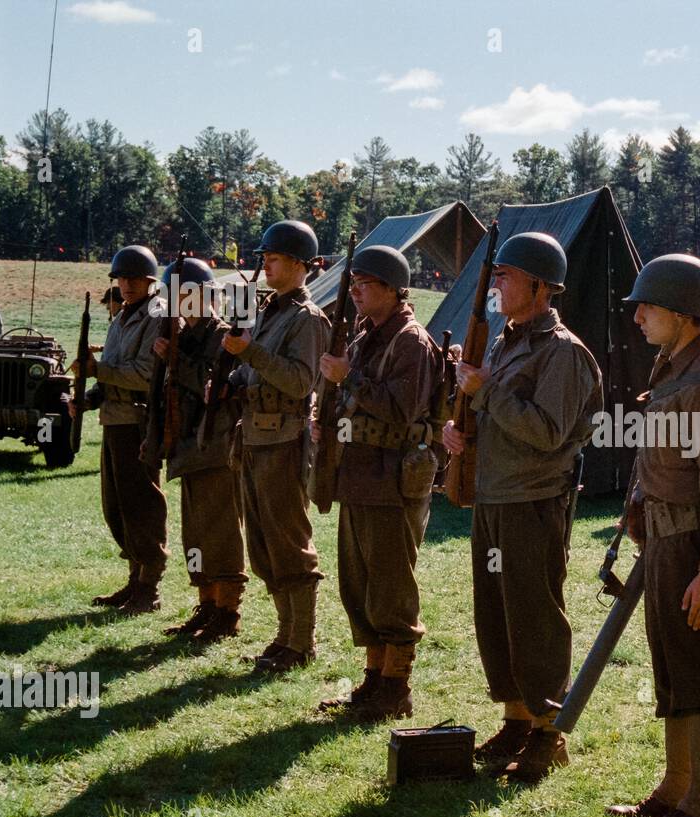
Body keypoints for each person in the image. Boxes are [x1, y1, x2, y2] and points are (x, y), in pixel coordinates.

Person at [441, 232, 603, 783]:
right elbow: (496, 417)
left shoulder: (564, 353)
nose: (495, 285)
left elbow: (549, 432)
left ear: (538, 286)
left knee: (534, 614)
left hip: (534, 500)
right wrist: (459, 433)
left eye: (505, 276)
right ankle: (515, 719)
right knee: (497, 612)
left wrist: (486, 393)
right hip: (494, 493)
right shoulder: (503, 341)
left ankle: (547, 732)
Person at [605, 254, 700, 817]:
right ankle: (674, 789)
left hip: (696, 548)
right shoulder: (672, 371)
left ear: (685, 314)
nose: (637, 316)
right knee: (672, 670)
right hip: (665, 543)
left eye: (649, 306)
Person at [315, 246, 444, 720]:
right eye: (354, 285)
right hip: (358, 476)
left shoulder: (410, 341)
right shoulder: (365, 336)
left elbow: (401, 408)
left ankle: (396, 688)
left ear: (392, 288)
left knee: (390, 588)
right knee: (360, 586)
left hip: (392, 481)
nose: (355, 293)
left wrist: (350, 379)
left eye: (364, 285)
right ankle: (373, 682)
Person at [220, 220, 329, 674]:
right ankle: (284, 635)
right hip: (254, 435)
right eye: (265, 256)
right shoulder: (267, 311)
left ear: (301, 266)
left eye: (276, 257)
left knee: (288, 541)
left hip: (285, 439)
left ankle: (301, 642)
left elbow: (302, 381)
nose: (266, 263)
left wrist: (249, 355)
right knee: (263, 544)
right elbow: (256, 371)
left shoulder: (308, 319)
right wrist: (234, 376)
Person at [149, 257, 247, 640]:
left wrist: (176, 359)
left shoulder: (221, 335)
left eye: (183, 294)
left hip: (215, 445)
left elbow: (215, 387)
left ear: (204, 295)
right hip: (187, 447)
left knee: (220, 531)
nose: (177, 302)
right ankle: (206, 604)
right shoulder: (181, 335)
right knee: (196, 535)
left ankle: (228, 610)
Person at [69, 245, 168, 615]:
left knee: (141, 505)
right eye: (121, 278)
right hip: (114, 420)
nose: (125, 285)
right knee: (117, 508)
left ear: (149, 280)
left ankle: (149, 587)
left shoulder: (156, 316)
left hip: (139, 424)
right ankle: (134, 580)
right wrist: (88, 399)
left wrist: (99, 372)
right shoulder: (121, 318)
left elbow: (145, 375)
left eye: (133, 278)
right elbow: (110, 371)